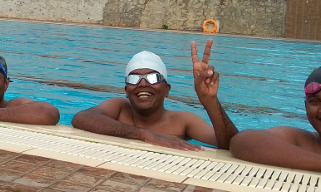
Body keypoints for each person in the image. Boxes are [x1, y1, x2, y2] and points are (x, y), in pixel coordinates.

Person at [71, 40, 238, 151]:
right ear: (127, 91)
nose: (143, 84)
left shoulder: (182, 121)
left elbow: (230, 145)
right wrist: (144, 134)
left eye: (153, 78)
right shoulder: (120, 108)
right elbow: (81, 118)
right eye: (134, 79)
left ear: (167, 89)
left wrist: (210, 101)